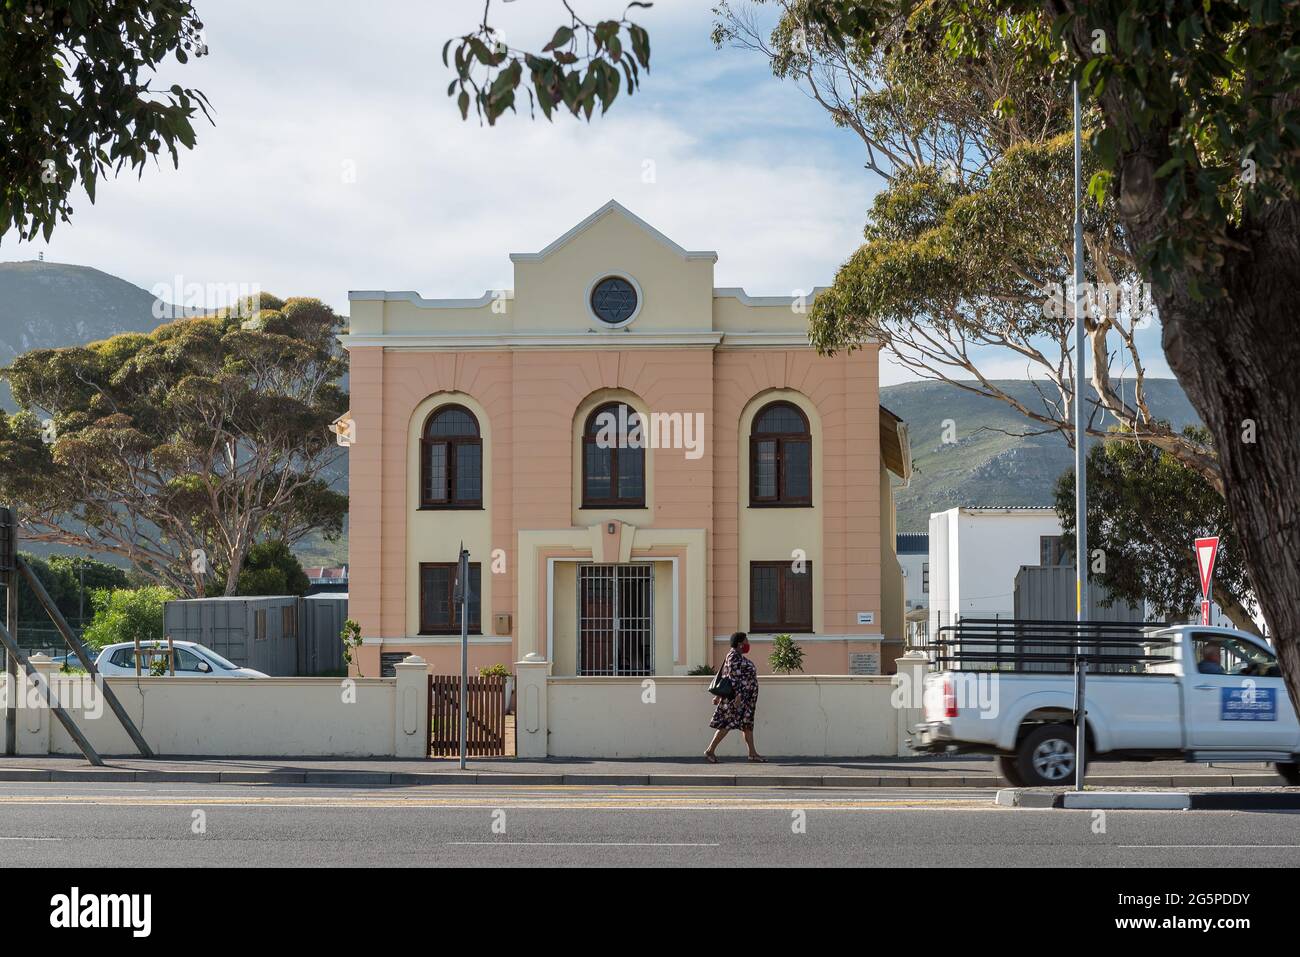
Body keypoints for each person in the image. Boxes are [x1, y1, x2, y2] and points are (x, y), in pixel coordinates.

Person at [704, 632, 765, 763]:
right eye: (746, 640)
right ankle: (710, 750)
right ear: (740, 643)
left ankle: (752, 754)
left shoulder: (737, 656)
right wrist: (737, 695)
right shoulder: (733, 656)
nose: (748, 643)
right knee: (726, 723)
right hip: (737, 699)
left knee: (747, 725)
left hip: (746, 700)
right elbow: (732, 677)